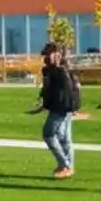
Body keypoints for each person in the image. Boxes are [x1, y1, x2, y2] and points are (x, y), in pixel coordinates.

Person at [31, 43, 78, 178]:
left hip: (62, 107)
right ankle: (68, 166)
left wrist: (59, 67)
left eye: (48, 54)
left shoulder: (63, 69)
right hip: (61, 106)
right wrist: (42, 101)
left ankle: (65, 165)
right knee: (64, 138)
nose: (46, 57)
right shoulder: (49, 70)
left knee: (49, 134)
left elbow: (67, 87)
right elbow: (48, 89)